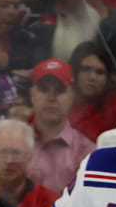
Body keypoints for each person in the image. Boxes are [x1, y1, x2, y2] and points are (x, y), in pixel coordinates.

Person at [28, 59, 96, 195]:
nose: (51, 98)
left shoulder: (88, 154)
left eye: (60, 90)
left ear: (72, 96)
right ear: (32, 94)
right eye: (43, 89)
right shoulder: (11, 144)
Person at [0, 118, 58, 207]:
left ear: (30, 157)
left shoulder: (51, 205)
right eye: (3, 152)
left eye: (16, 153)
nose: (9, 160)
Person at [66, 40, 116, 144]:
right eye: (86, 69)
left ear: (108, 78)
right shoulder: (60, 100)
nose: (92, 77)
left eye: (100, 72)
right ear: (75, 71)